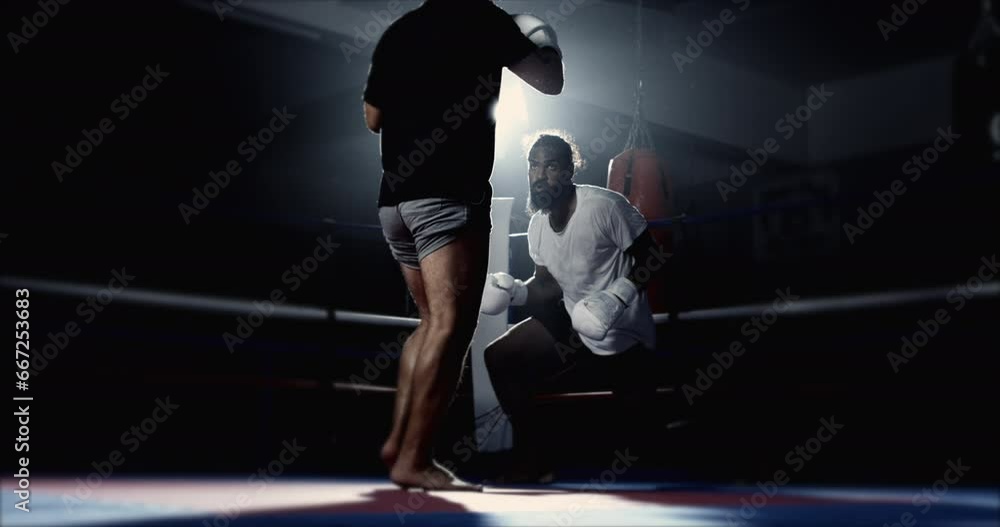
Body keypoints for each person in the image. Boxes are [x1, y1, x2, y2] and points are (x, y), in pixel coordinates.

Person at [363, 0, 564, 491]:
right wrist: (545, 38)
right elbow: (549, 81)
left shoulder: (400, 30)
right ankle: (414, 458)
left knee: (430, 322)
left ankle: (398, 442)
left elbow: (372, 117)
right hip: (448, 195)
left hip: (395, 201)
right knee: (450, 326)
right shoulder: (485, 18)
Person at [480, 131, 660, 483]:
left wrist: (615, 298)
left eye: (550, 167)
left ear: (568, 171)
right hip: (573, 320)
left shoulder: (604, 207)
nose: (539, 175)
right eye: (533, 166)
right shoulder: (537, 225)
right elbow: (547, 285)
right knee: (499, 356)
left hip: (622, 330)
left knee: (643, 449)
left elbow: (653, 256)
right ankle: (533, 459)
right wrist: (515, 293)